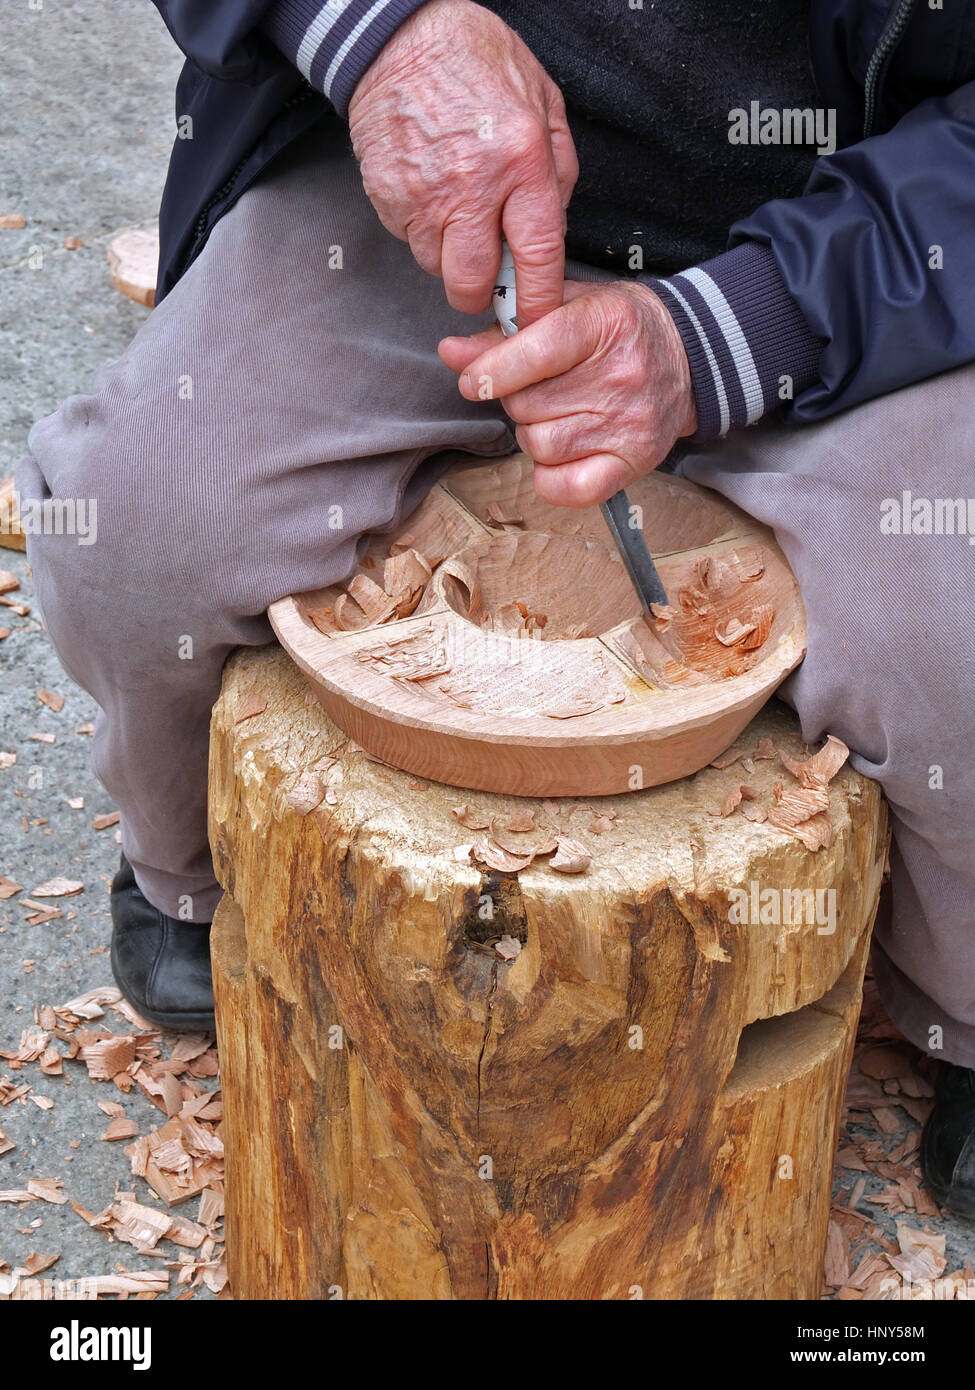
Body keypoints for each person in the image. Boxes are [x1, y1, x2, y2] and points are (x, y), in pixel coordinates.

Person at [18, 0, 975, 1218]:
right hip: (413, 204)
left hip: (871, 269)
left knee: (953, 645)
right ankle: (188, 877)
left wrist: (732, 332)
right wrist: (372, 37)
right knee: (133, 526)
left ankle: (964, 1006)